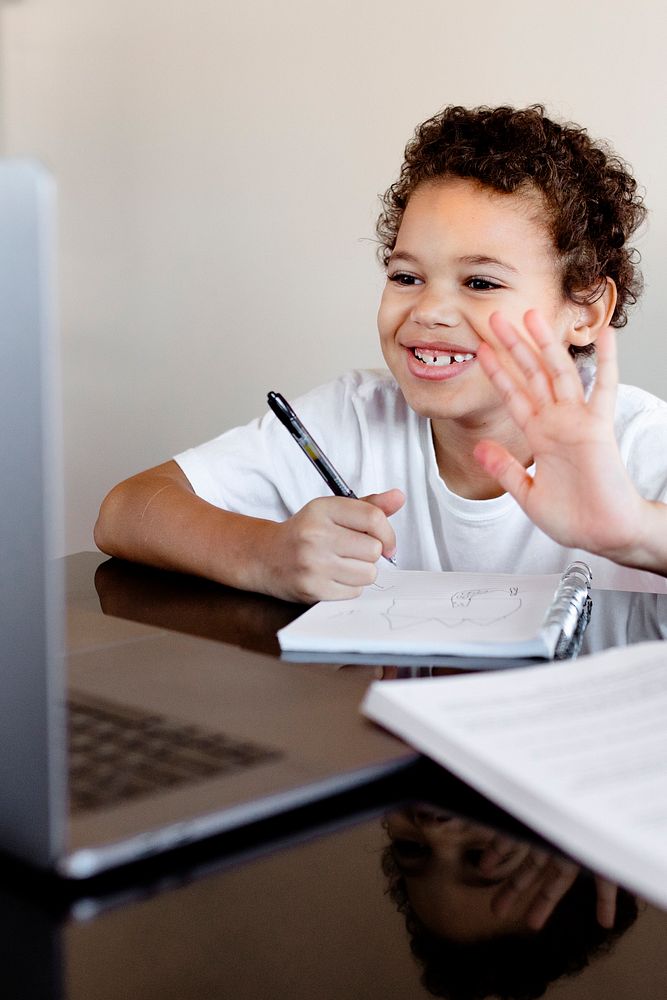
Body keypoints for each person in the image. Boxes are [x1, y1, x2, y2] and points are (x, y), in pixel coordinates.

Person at [94, 105, 667, 602]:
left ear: (585, 310)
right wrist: (267, 554)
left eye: (481, 283)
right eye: (406, 275)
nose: (429, 311)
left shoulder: (639, 441)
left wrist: (637, 531)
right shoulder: (353, 419)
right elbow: (126, 510)